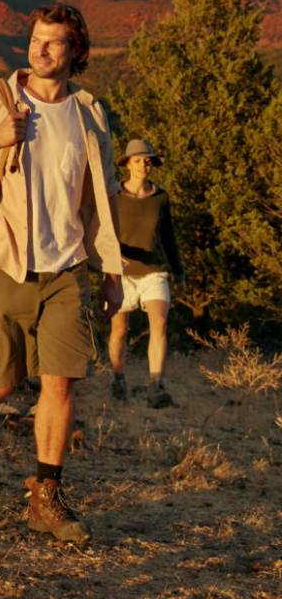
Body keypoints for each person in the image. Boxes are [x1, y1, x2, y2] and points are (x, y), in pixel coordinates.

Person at [0, 3, 123, 543]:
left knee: (61, 381)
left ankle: (45, 497)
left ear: (76, 52)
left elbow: (102, 199)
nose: (40, 49)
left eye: (54, 41)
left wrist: (110, 270)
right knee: (2, 379)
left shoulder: (89, 112)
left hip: (67, 266)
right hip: (5, 260)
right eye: (36, 39)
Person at [107, 138, 184, 408]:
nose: (144, 165)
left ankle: (156, 384)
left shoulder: (160, 197)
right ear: (127, 163)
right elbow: (101, 232)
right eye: (138, 160)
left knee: (159, 323)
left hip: (154, 271)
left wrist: (178, 269)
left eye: (148, 161)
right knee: (119, 329)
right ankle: (117, 378)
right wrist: (109, 259)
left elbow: (168, 235)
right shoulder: (113, 195)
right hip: (122, 273)